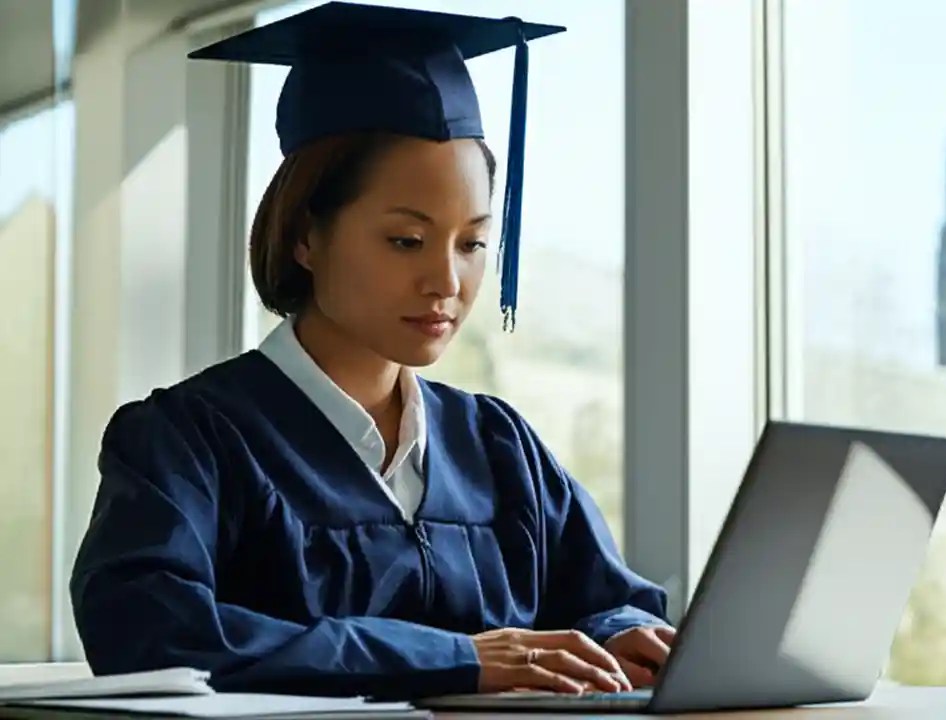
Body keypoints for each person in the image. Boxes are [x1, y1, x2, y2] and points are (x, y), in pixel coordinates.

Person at [68, 2, 672, 701]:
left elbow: (608, 599)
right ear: (305, 236)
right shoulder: (189, 442)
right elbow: (146, 633)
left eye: (472, 243)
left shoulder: (499, 447)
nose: (447, 281)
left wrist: (622, 634)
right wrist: (451, 656)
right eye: (406, 241)